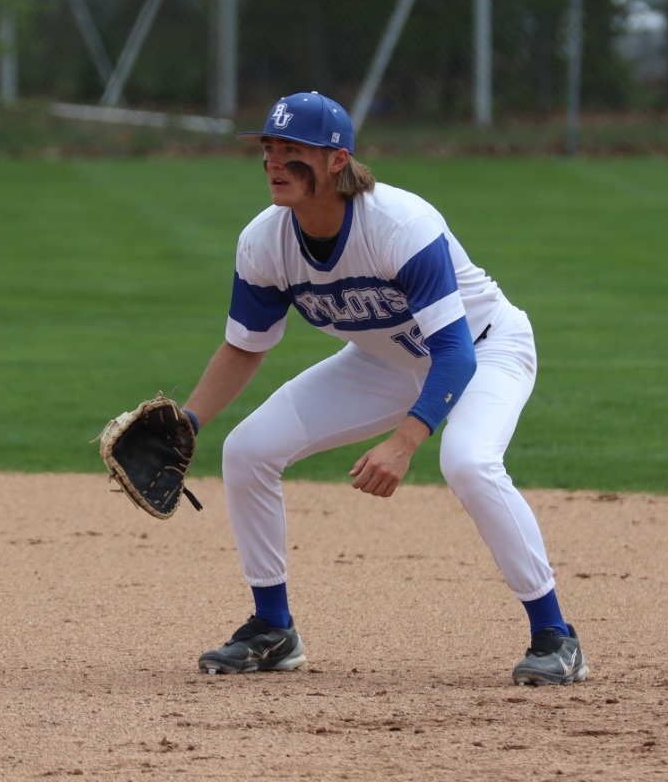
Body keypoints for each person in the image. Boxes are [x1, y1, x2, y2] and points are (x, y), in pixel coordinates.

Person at [179, 91, 587, 686]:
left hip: (485, 349)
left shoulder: (400, 225)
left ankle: (556, 635)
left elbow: (454, 353)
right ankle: (273, 628)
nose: (274, 162)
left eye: (292, 150)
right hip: (384, 361)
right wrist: (187, 424)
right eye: (268, 147)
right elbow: (246, 345)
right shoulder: (265, 241)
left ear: (337, 160)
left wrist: (403, 442)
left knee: (468, 462)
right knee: (246, 451)